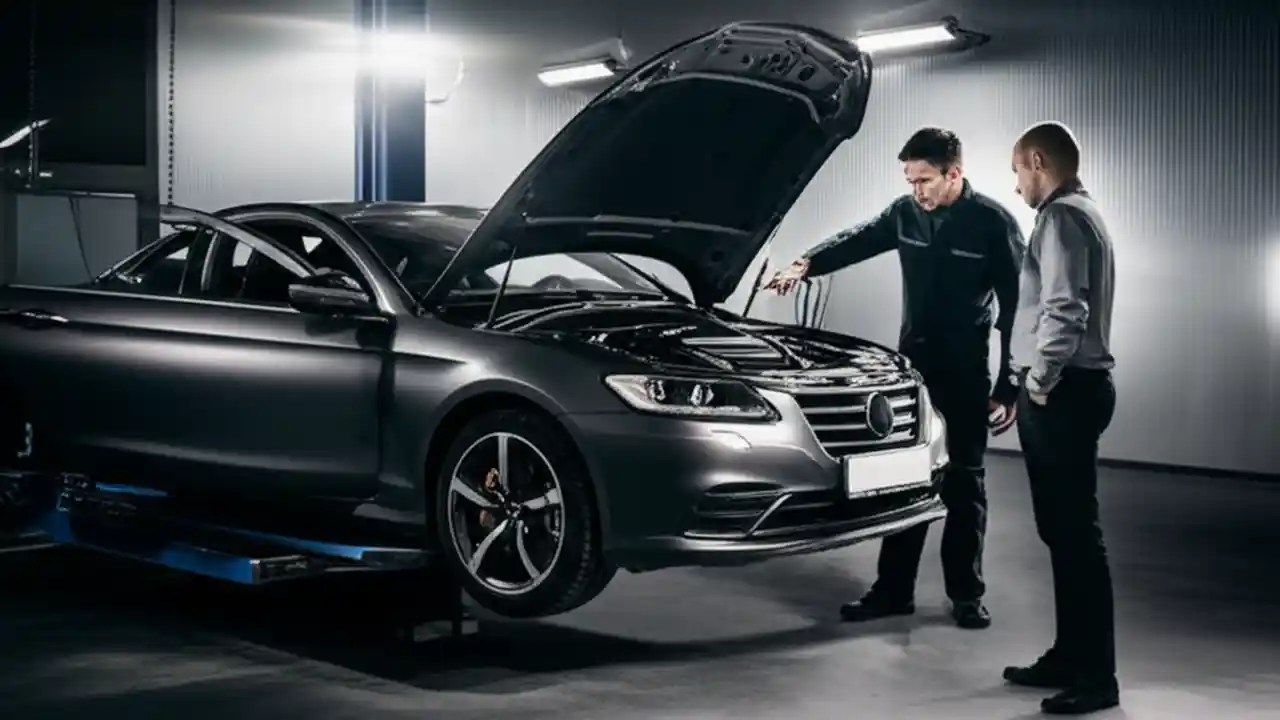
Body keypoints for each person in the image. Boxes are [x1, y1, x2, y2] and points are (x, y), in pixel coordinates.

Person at [765, 127, 1025, 630]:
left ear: (955, 173)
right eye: (910, 181)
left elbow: (1017, 308)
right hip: (914, 372)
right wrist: (806, 264)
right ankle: (892, 591)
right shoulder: (904, 214)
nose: (917, 191)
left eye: (925, 180)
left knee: (964, 485)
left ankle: (966, 594)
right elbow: (857, 240)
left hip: (968, 373)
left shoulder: (992, 223)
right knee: (906, 479)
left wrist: (1009, 385)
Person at [1001, 121, 1120, 715]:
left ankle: (1097, 678)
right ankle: (1069, 656)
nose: (1016, 181)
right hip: (1079, 389)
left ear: (1038, 160)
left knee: (1075, 537)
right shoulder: (1085, 213)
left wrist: (1039, 383)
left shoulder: (1060, 218)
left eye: (1017, 168)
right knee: (1065, 535)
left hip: (1065, 392)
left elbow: (1064, 309)